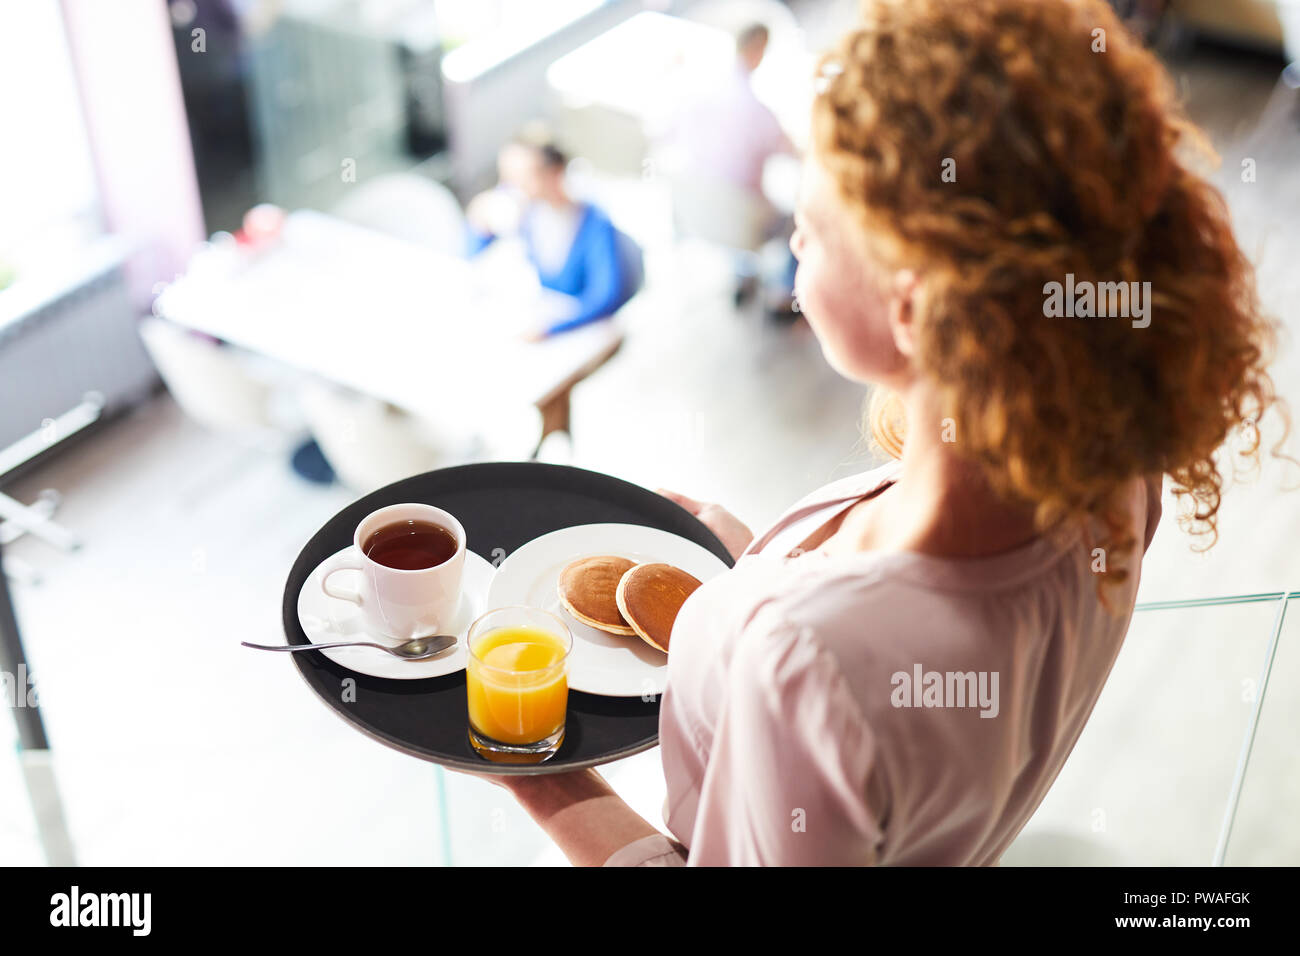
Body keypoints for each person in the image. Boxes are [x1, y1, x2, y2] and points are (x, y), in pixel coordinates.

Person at [461, 0, 1285, 865]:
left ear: (911, 303)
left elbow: (845, 686)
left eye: (810, 233)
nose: (792, 238)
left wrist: (533, 767)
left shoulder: (810, 671)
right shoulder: (1116, 476)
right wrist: (763, 577)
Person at [465, 131, 640, 341]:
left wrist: (551, 330)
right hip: (545, 320)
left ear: (555, 172)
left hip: (585, 333)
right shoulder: (528, 214)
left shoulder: (595, 224)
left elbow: (605, 298)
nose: (514, 186)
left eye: (523, 176)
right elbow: (471, 258)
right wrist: (478, 228)